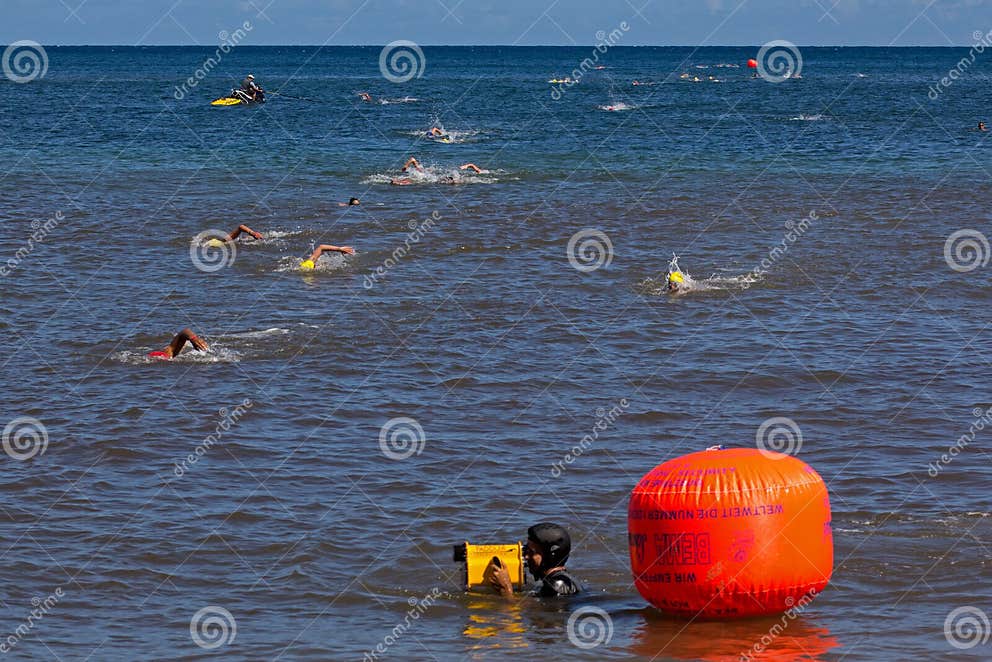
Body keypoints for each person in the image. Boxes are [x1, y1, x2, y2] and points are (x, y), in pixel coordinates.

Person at [490, 522, 581, 598]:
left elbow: (519, 609)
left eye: (532, 552)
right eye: (526, 550)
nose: (526, 557)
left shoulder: (557, 586)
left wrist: (506, 589)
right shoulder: (562, 580)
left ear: (549, 557)